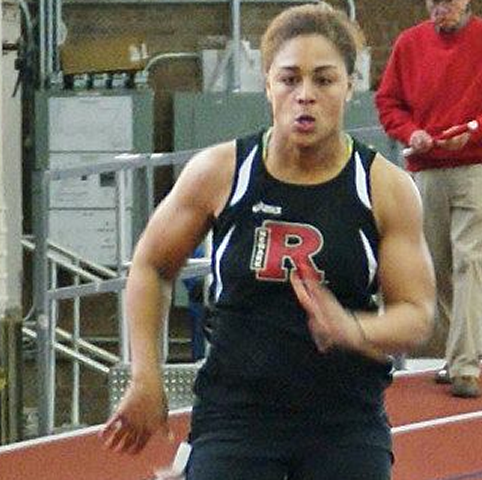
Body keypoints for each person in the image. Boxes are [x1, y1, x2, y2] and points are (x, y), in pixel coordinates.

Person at [100, 4, 436, 479]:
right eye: (289, 79)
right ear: (267, 86)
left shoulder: (384, 187)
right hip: (236, 418)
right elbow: (152, 266)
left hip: (344, 421)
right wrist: (146, 375)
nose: (305, 96)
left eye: (323, 80)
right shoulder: (220, 172)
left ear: (349, 85)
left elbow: (417, 314)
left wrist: (353, 329)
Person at [375, 0, 482, 399]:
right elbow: (388, 102)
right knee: (435, 266)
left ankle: (465, 366)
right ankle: (455, 355)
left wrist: (472, 131)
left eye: (449, 2)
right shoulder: (409, 45)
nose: (442, 10)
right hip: (427, 169)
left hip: (480, 166)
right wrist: (410, 132)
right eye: (434, 3)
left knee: (471, 260)